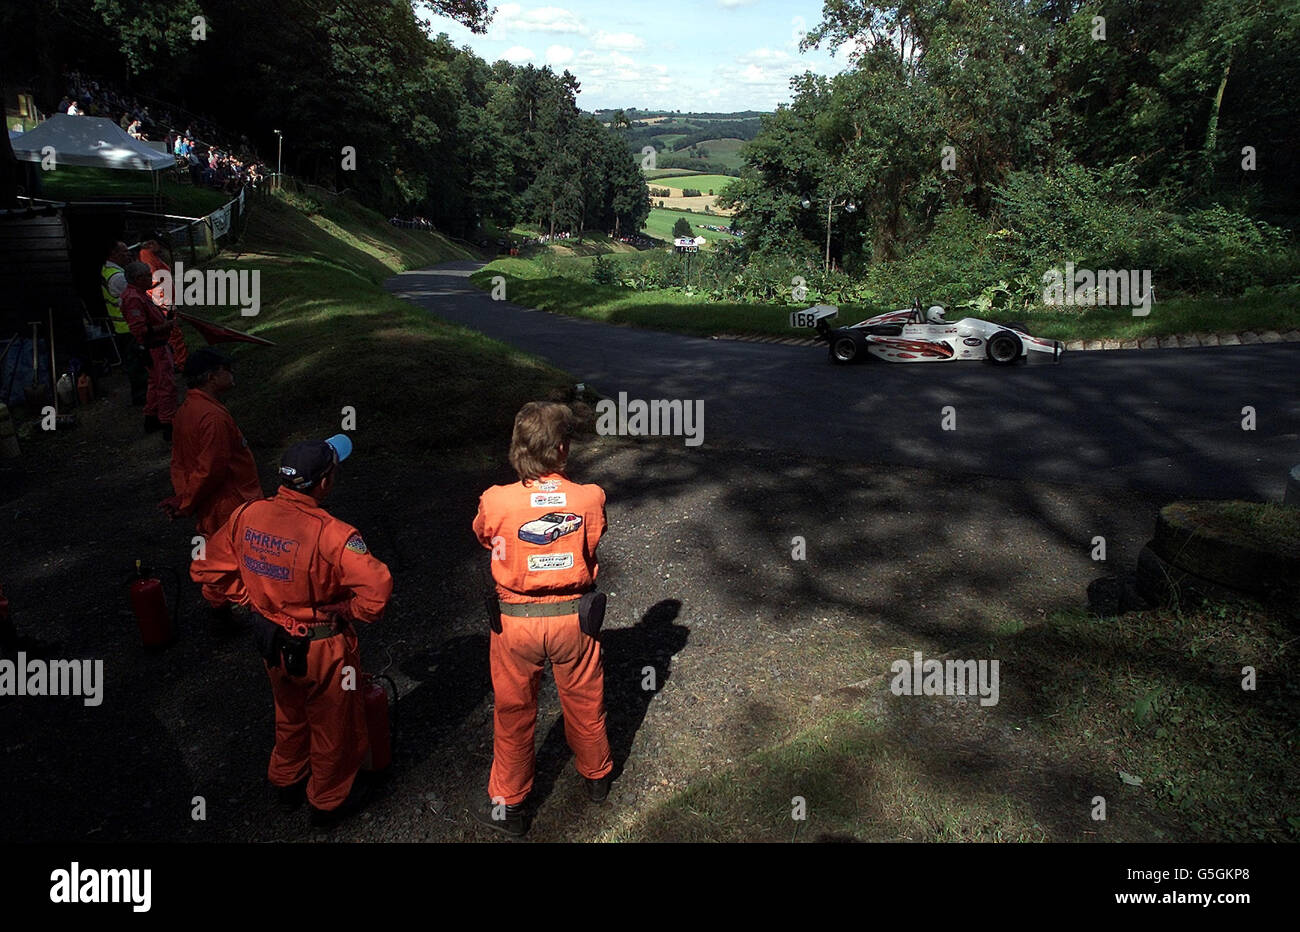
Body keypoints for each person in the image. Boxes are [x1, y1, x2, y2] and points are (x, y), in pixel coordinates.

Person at [191, 436, 393, 827]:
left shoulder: (247, 515)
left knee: (290, 713)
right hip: (322, 647)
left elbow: (206, 570)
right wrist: (350, 610)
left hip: (271, 641)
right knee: (335, 724)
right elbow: (378, 589)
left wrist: (252, 600)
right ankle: (328, 801)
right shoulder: (335, 534)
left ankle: (286, 781)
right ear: (323, 484)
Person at [470, 402, 614, 836]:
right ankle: (597, 778)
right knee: (586, 700)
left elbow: (484, 534)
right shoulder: (590, 497)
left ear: (518, 448)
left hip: (516, 625)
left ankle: (510, 805)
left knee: (514, 713)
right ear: (562, 448)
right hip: (575, 622)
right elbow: (595, 536)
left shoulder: (495, 500)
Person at [164, 349, 263, 632]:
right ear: (211, 376)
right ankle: (257, 610)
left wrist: (185, 499)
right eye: (226, 369)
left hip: (209, 502)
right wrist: (185, 502)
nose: (231, 374)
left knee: (215, 552)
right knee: (243, 555)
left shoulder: (187, 411)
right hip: (230, 502)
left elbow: (180, 463)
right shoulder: (212, 417)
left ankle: (218, 608)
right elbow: (211, 470)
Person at [119, 261, 177, 439]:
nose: (151, 279)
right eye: (148, 276)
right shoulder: (133, 298)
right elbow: (140, 329)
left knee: (154, 383)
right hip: (155, 348)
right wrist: (166, 325)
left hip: (153, 347)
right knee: (166, 384)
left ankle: (151, 417)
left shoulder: (137, 294)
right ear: (138, 278)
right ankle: (169, 424)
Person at [138, 235, 189, 372]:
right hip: (162, 301)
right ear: (151, 243)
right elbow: (154, 281)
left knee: (173, 331)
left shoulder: (150, 256)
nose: (161, 248)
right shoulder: (147, 257)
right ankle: (180, 362)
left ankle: (178, 361)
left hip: (165, 299)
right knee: (173, 332)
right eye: (159, 244)